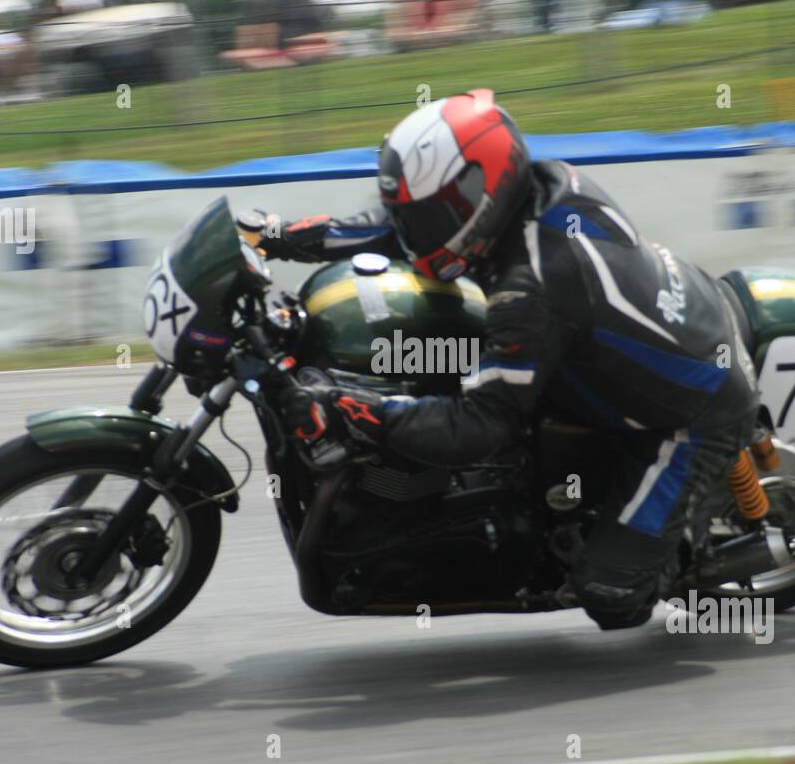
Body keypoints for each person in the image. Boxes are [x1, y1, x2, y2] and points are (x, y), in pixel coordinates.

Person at [265, 90, 760, 630]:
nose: (414, 228)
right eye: (414, 213)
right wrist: (284, 237)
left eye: (429, 214)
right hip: (668, 323)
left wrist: (356, 412)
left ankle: (675, 562)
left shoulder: (531, 290)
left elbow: (480, 427)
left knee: (611, 595)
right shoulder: (541, 185)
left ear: (479, 194)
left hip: (692, 415)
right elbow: (403, 228)